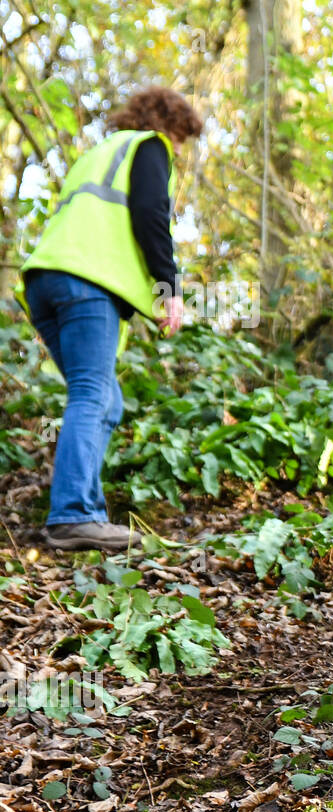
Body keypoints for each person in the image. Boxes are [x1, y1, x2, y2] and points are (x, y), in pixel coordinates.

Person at [17, 86, 202, 551]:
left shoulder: (97, 153)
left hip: (44, 282)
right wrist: (168, 289)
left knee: (107, 400)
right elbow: (150, 215)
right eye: (180, 138)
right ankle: (73, 515)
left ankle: (88, 516)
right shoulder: (148, 147)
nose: (178, 150)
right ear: (167, 125)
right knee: (92, 393)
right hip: (87, 283)